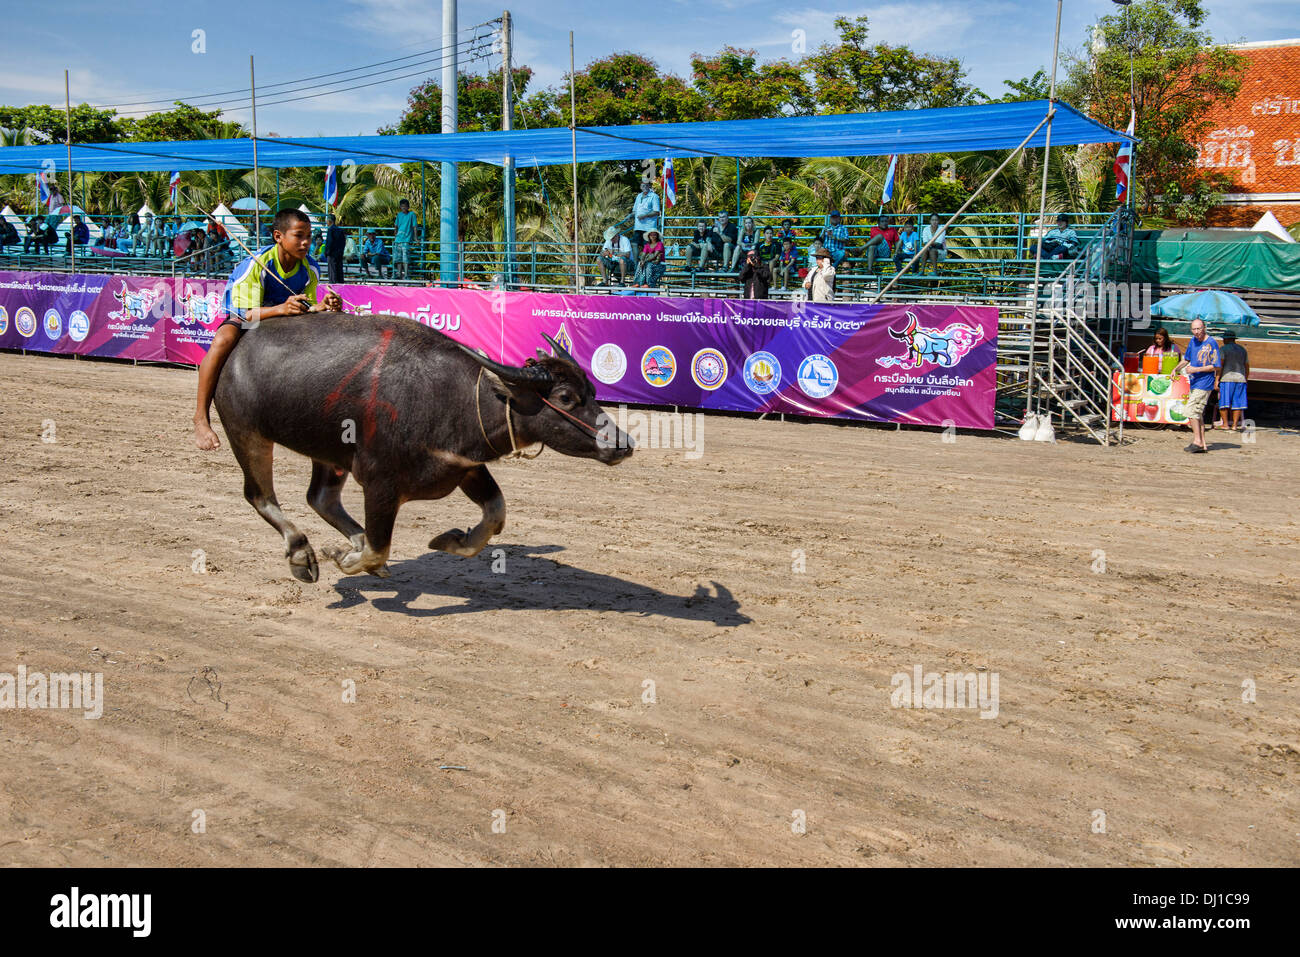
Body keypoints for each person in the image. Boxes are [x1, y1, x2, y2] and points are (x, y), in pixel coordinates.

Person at [194, 208, 342, 451]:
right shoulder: (258, 264)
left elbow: (308, 305)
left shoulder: (311, 266)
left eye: (309, 236)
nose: (306, 242)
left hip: (286, 317)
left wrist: (323, 306)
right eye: (299, 236)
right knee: (223, 339)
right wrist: (281, 309)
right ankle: (201, 416)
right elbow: (247, 314)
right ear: (278, 236)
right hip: (251, 315)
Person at [1170, 318, 1220, 454]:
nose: (1197, 332)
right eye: (1194, 329)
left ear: (1204, 328)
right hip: (1195, 382)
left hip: (1204, 383)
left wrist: (1195, 370)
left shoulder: (1211, 343)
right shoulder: (1193, 341)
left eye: (1199, 329)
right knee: (1197, 413)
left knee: (1191, 411)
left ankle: (1197, 441)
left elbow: (1215, 366)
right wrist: (1176, 368)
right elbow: (1187, 359)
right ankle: (1203, 444)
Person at [1216, 330, 1250, 432]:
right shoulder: (1242, 350)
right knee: (1238, 403)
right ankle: (1235, 425)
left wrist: (1217, 379)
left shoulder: (1223, 349)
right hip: (1240, 379)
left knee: (1224, 402)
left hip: (1227, 378)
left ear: (1226, 339)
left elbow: (1220, 365)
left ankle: (1225, 424)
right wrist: (1246, 378)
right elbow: (1247, 366)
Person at [631, 180, 661, 257]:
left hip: (648, 227)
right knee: (634, 244)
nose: (645, 187)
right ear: (640, 187)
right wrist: (628, 217)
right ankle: (636, 264)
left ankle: (645, 264)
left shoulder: (654, 196)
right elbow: (634, 211)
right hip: (638, 226)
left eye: (646, 185)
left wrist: (644, 215)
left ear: (649, 186)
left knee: (646, 246)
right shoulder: (639, 196)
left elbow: (656, 212)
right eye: (643, 186)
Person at [393, 198, 417, 279]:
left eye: (405, 206)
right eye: (402, 206)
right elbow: (396, 226)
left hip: (406, 239)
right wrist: (395, 236)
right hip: (398, 239)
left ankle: (406, 275)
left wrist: (416, 238)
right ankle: (399, 274)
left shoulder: (412, 215)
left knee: (405, 258)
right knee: (398, 258)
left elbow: (414, 226)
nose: (403, 208)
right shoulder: (399, 215)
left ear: (408, 207)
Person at [325, 213, 347, 284]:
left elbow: (329, 242)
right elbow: (343, 242)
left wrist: (327, 252)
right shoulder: (340, 230)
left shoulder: (331, 230)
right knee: (339, 271)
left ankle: (333, 286)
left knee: (332, 272)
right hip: (339, 254)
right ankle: (340, 285)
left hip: (332, 254)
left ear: (329, 221)